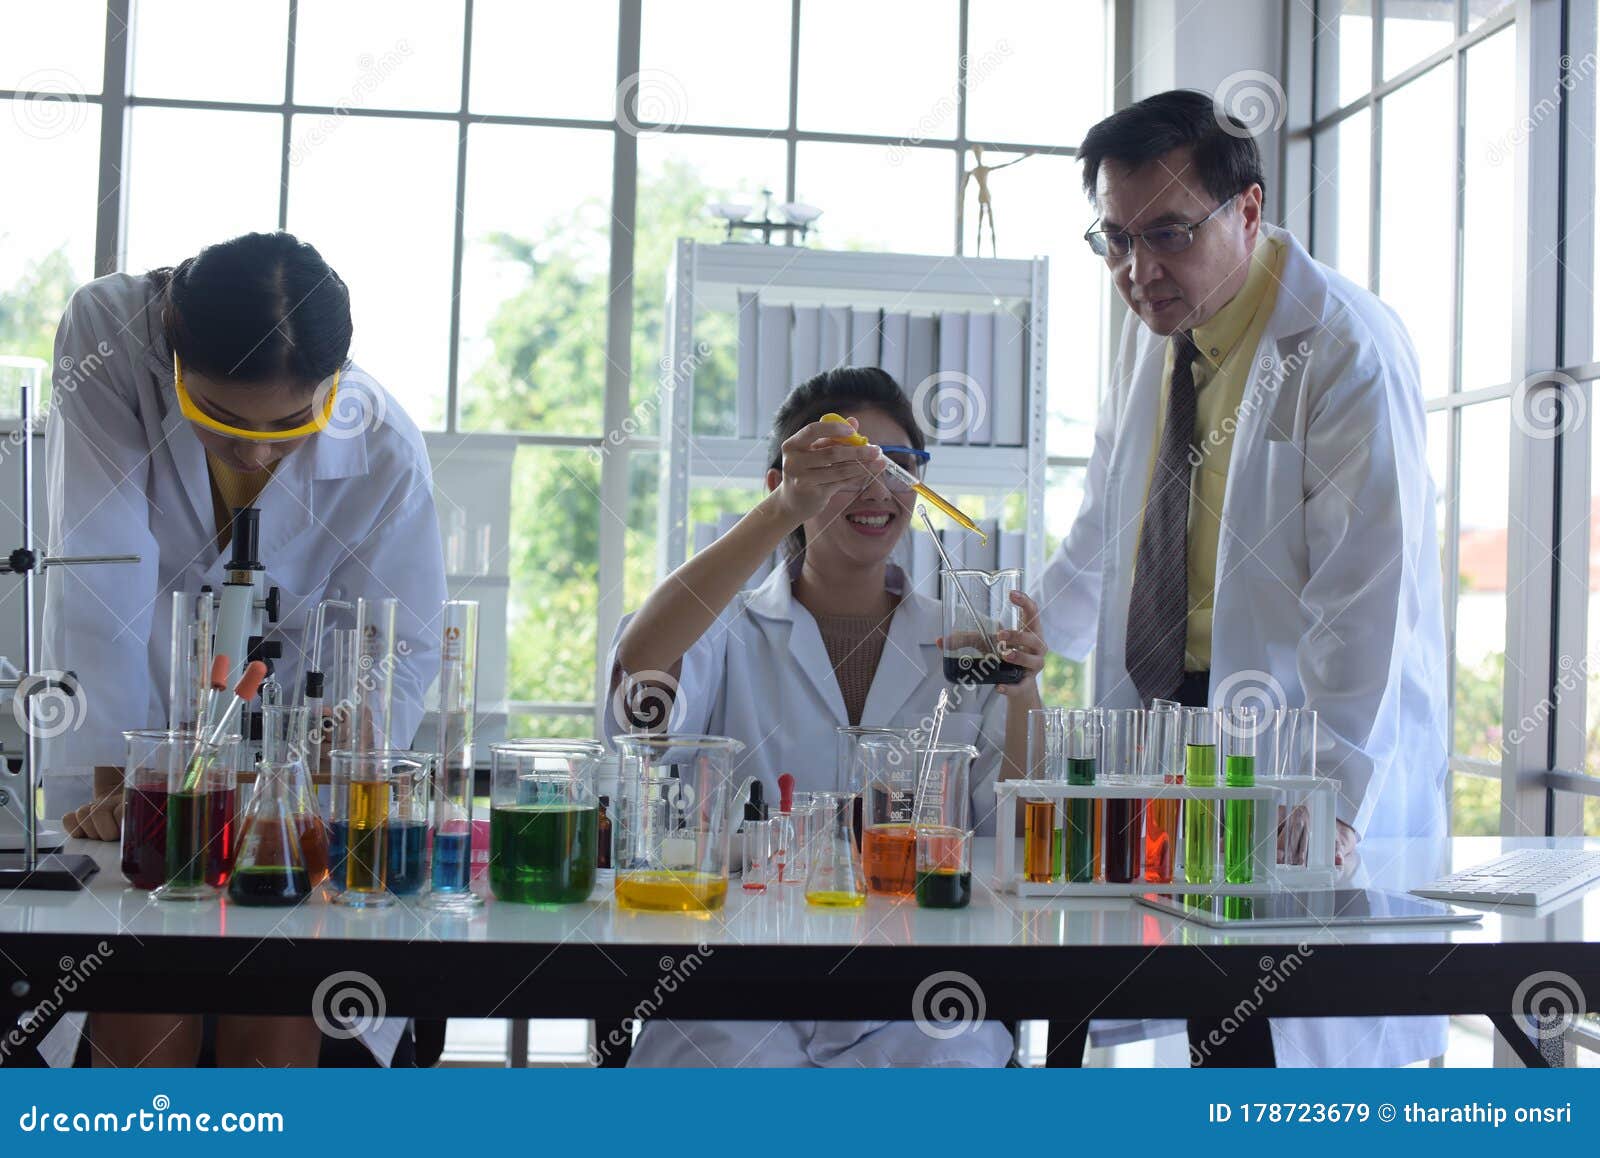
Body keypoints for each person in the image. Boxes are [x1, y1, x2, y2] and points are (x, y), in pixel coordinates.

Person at [1037, 90, 1448, 1067]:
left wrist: (1334, 798)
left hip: (1293, 738)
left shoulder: (1341, 344)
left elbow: (1368, 595)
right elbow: (1107, 516)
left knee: (1271, 1034)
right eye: (1115, 241)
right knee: (1189, 1004)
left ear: (1249, 211)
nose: (1139, 271)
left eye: (1168, 234)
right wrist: (1035, 625)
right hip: (1174, 718)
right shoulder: (1162, 340)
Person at [38, 231, 446, 1067]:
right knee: (143, 993)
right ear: (176, 364)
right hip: (136, 769)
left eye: (293, 424)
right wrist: (113, 778)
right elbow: (101, 577)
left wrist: (334, 769)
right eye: (221, 418)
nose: (257, 451)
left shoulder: (386, 450)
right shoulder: (115, 340)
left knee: (279, 1000)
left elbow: (397, 647)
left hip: (288, 788)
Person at [608, 366, 1045, 1067]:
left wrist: (1023, 694)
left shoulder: (969, 645)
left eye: (900, 465)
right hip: (737, 991)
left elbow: (1018, 836)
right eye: (845, 467)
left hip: (920, 1002)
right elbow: (641, 687)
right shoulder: (726, 630)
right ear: (785, 481)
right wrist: (781, 510)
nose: (877, 490)